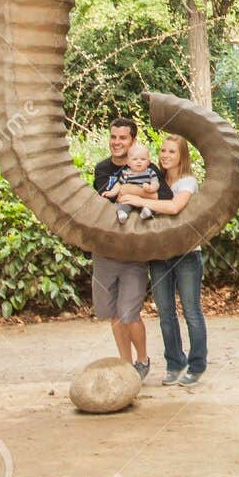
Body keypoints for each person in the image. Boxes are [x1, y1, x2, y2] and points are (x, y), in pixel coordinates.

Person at [133, 134, 208, 386]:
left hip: (187, 253)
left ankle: (197, 365)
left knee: (191, 312)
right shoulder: (154, 180)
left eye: (172, 152)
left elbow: (174, 207)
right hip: (159, 254)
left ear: (182, 156)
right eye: (163, 151)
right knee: (165, 313)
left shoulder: (188, 181)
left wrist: (139, 199)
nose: (166, 155)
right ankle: (174, 362)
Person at [89, 117, 159, 380]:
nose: (117, 142)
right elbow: (107, 195)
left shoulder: (147, 166)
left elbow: (158, 195)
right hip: (106, 247)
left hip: (133, 249)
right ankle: (125, 365)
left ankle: (142, 360)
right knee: (113, 313)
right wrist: (135, 192)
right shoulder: (102, 168)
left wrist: (128, 191)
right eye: (113, 137)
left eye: (123, 138)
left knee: (130, 312)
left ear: (133, 141)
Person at [101, 142, 162, 222]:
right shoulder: (126, 173)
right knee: (123, 204)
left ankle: (146, 213)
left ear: (148, 162)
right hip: (129, 199)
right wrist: (112, 192)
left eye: (143, 159)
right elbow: (119, 184)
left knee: (150, 205)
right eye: (135, 159)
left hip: (144, 199)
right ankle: (122, 214)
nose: (139, 161)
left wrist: (151, 188)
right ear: (128, 163)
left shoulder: (150, 172)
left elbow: (155, 182)